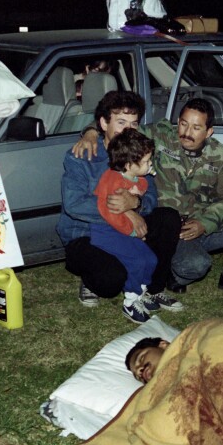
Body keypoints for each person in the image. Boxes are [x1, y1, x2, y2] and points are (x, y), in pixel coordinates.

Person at [76, 97, 223, 295]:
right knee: (196, 265)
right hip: (172, 230)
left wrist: (205, 223)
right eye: (183, 124)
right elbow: (118, 126)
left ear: (209, 131)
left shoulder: (221, 155)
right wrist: (90, 132)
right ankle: (172, 275)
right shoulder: (160, 137)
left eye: (196, 127)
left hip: (203, 223)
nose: (187, 133)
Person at [57, 90, 183, 314]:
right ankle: (91, 278)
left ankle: (153, 288)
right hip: (87, 233)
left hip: (123, 230)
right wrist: (125, 210)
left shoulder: (138, 151)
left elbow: (151, 196)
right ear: (104, 124)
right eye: (121, 121)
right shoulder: (83, 155)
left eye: (133, 123)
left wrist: (136, 202)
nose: (128, 129)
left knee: (168, 218)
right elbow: (74, 204)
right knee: (110, 282)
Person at [90, 129, 163, 323]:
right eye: (147, 162)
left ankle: (141, 292)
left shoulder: (138, 178)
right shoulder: (111, 179)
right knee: (136, 261)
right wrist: (131, 231)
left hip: (122, 229)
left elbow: (143, 195)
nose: (150, 165)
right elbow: (108, 212)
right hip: (106, 231)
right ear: (129, 164)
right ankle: (130, 302)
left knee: (150, 259)